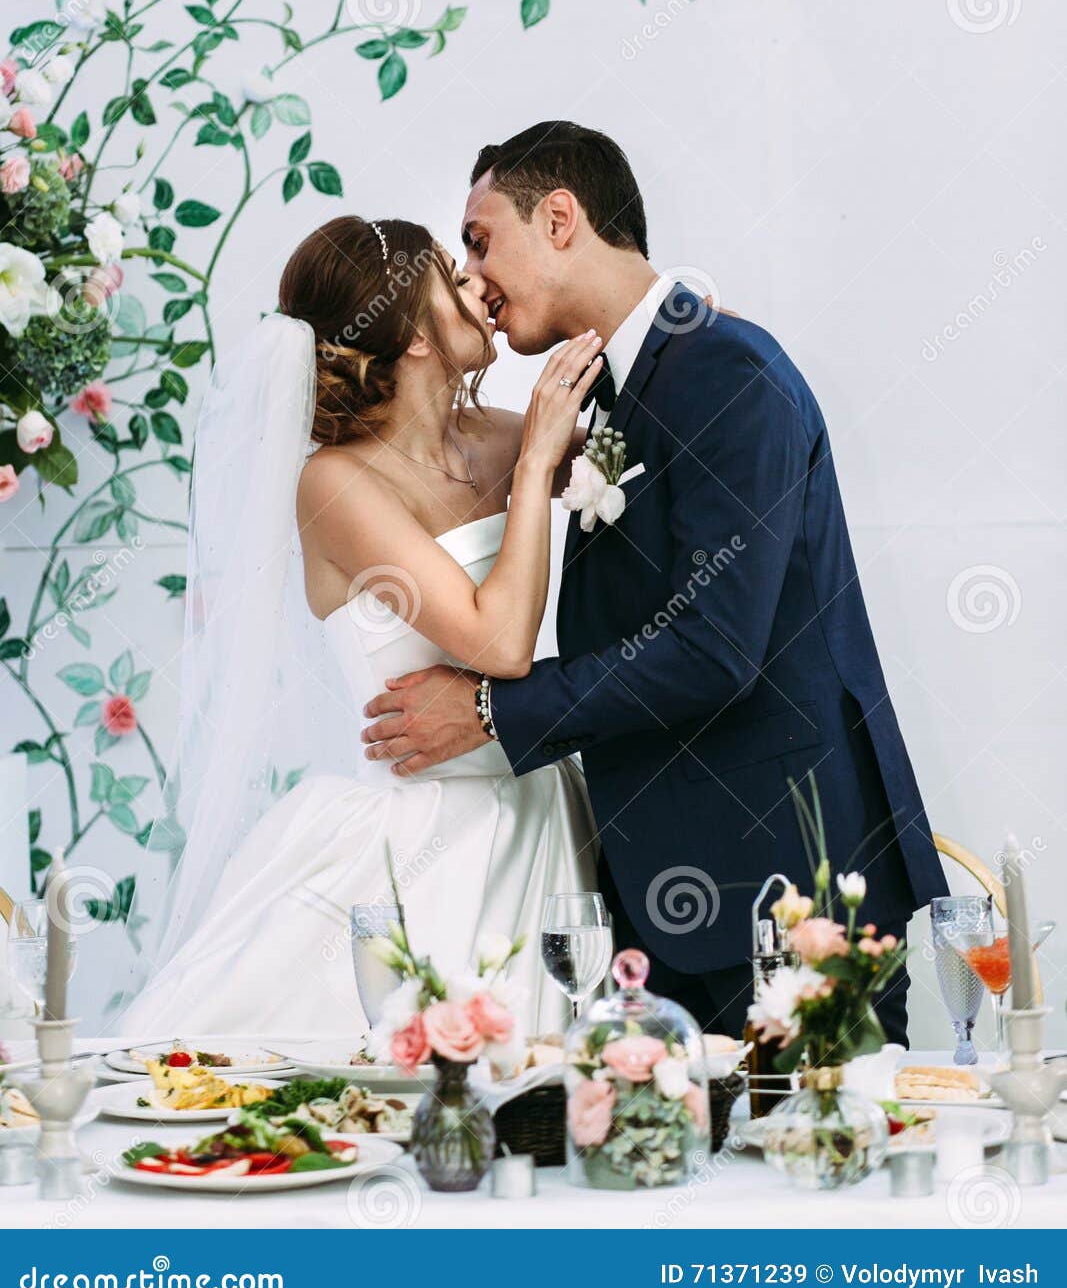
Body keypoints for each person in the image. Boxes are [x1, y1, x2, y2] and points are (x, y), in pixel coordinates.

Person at [362, 121, 949, 1044]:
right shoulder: (603, 394)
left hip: (786, 897)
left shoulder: (725, 371)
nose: (473, 277)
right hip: (672, 895)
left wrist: (486, 713)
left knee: (820, 1180)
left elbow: (715, 649)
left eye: (481, 241)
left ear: (560, 218)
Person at [117, 215, 599, 1037]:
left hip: (545, 808)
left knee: (552, 1090)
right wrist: (534, 468)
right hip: (421, 840)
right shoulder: (333, 485)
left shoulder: (497, 437)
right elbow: (499, 643)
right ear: (411, 334)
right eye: (454, 277)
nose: (481, 286)